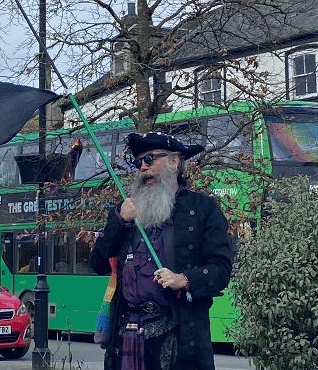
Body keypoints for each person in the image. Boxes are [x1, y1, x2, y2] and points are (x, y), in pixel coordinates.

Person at [92, 132, 233, 370]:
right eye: (137, 163)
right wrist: (119, 221)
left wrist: (185, 279)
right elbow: (98, 264)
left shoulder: (202, 208)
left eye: (149, 159)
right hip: (126, 332)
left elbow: (221, 270)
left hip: (177, 335)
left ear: (174, 161)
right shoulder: (125, 213)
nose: (143, 168)